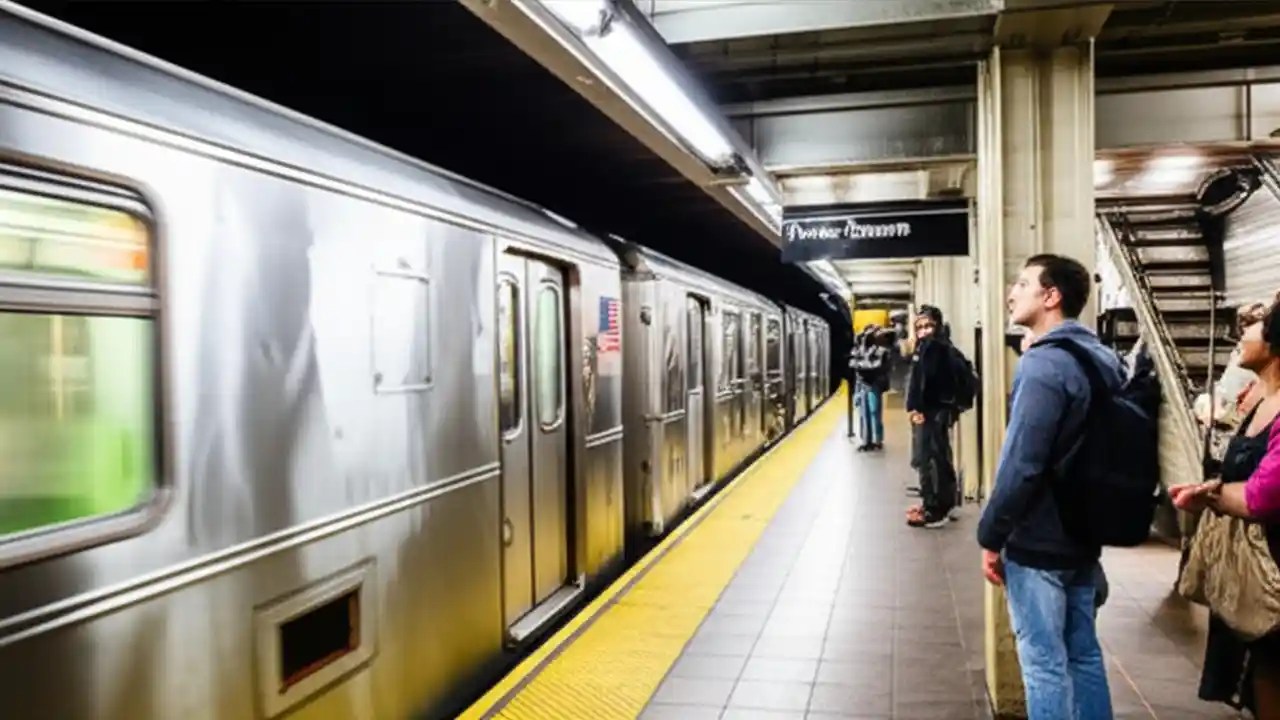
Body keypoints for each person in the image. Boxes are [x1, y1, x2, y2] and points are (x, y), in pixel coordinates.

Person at [976, 254, 1115, 720]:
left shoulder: (1043, 366)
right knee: (1084, 654)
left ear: (1050, 296)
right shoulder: (1102, 358)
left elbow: (1023, 465)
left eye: (1022, 284)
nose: (1011, 293)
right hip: (1084, 534)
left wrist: (991, 535)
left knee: (1043, 663)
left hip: (1039, 538)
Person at [1169, 293, 1280, 717]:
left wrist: (1212, 495)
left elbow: (1262, 495)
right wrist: (1212, 490)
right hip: (1253, 572)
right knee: (1260, 673)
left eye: (1257, 323)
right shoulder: (1258, 399)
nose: (1244, 333)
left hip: (1273, 571)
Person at [905, 305, 959, 528]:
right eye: (919, 327)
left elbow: (924, 384)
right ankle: (944, 503)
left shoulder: (933, 349)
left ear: (938, 326)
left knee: (929, 460)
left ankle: (934, 510)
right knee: (939, 457)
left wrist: (917, 409)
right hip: (935, 412)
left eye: (928, 326)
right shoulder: (938, 346)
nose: (923, 331)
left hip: (930, 413)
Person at [852, 326, 891, 452]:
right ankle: (866, 440)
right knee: (864, 413)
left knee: (874, 411)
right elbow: (854, 363)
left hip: (874, 384)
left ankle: (876, 440)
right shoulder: (859, 350)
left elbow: (877, 366)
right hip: (863, 384)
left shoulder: (882, 351)